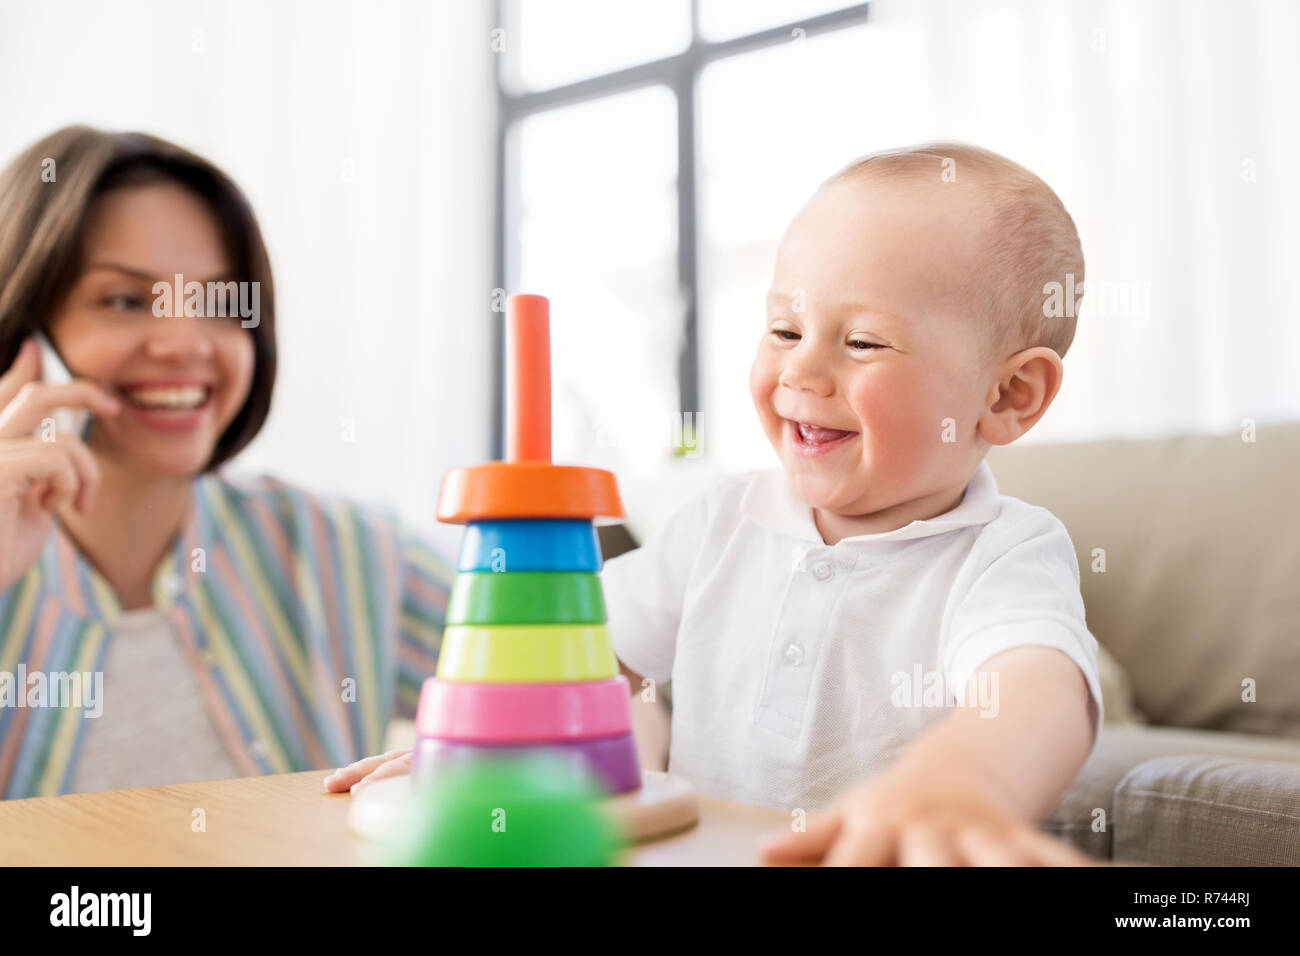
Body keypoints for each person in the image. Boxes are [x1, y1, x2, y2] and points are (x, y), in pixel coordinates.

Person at [330, 142, 1103, 867]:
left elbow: (1038, 690)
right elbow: (589, 649)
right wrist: (495, 752)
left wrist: (966, 782)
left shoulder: (1004, 552)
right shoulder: (719, 523)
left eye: (862, 342)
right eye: (784, 327)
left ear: (1008, 394)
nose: (802, 368)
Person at [0, 126, 449, 800]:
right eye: (124, 300)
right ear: (26, 336)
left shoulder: (351, 551)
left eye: (217, 301)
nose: (184, 342)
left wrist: (489, 767)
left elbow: (606, 694)